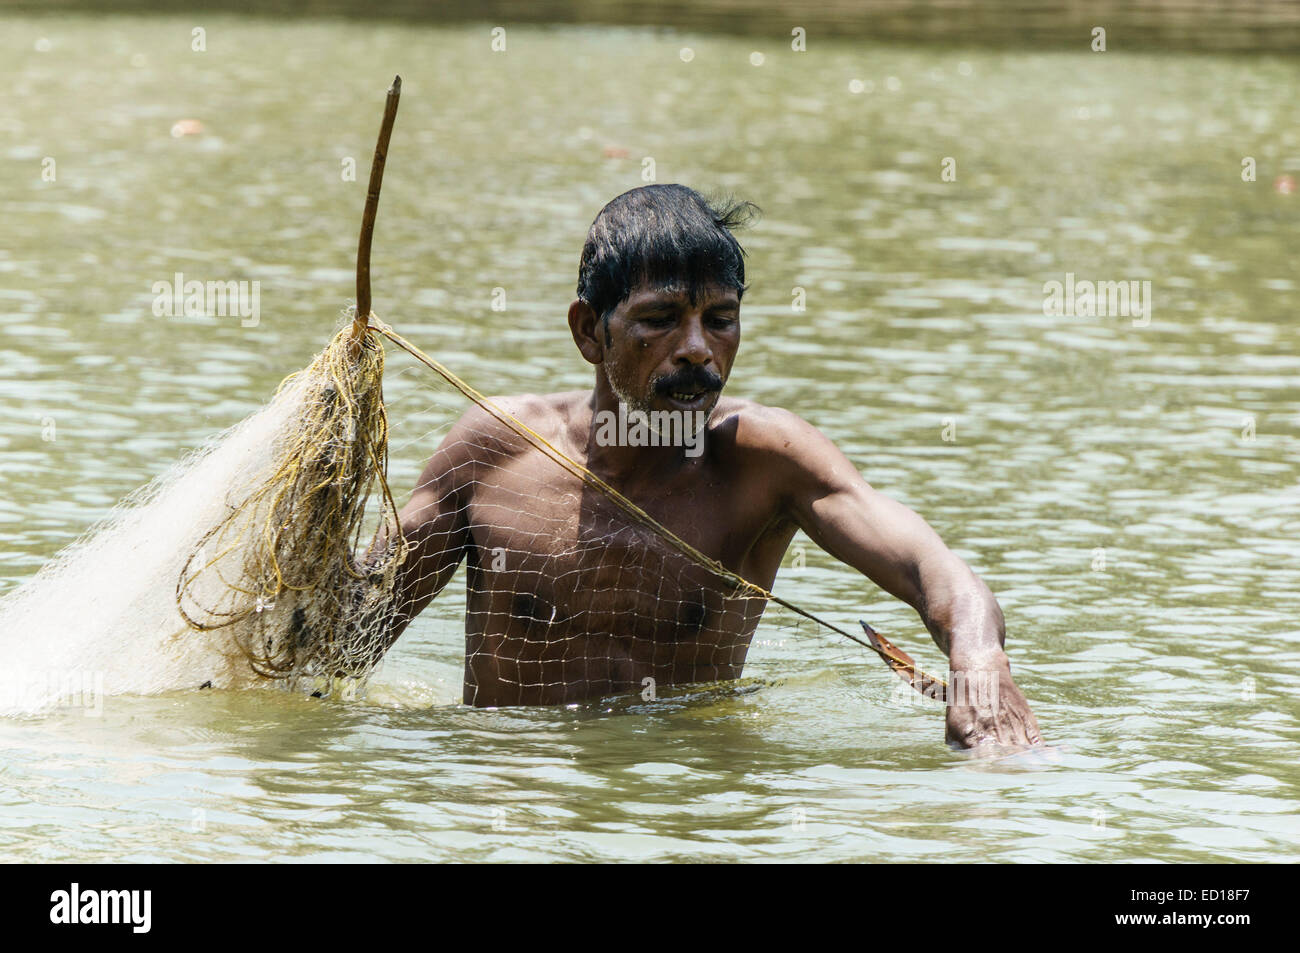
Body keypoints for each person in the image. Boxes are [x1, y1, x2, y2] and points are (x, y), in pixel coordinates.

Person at [378, 183, 1042, 749]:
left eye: (720, 319)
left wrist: (980, 659)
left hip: (690, 800)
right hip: (515, 804)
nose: (698, 349)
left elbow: (933, 566)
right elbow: (340, 634)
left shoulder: (762, 459)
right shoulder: (496, 449)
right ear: (588, 331)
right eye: (661, 319)